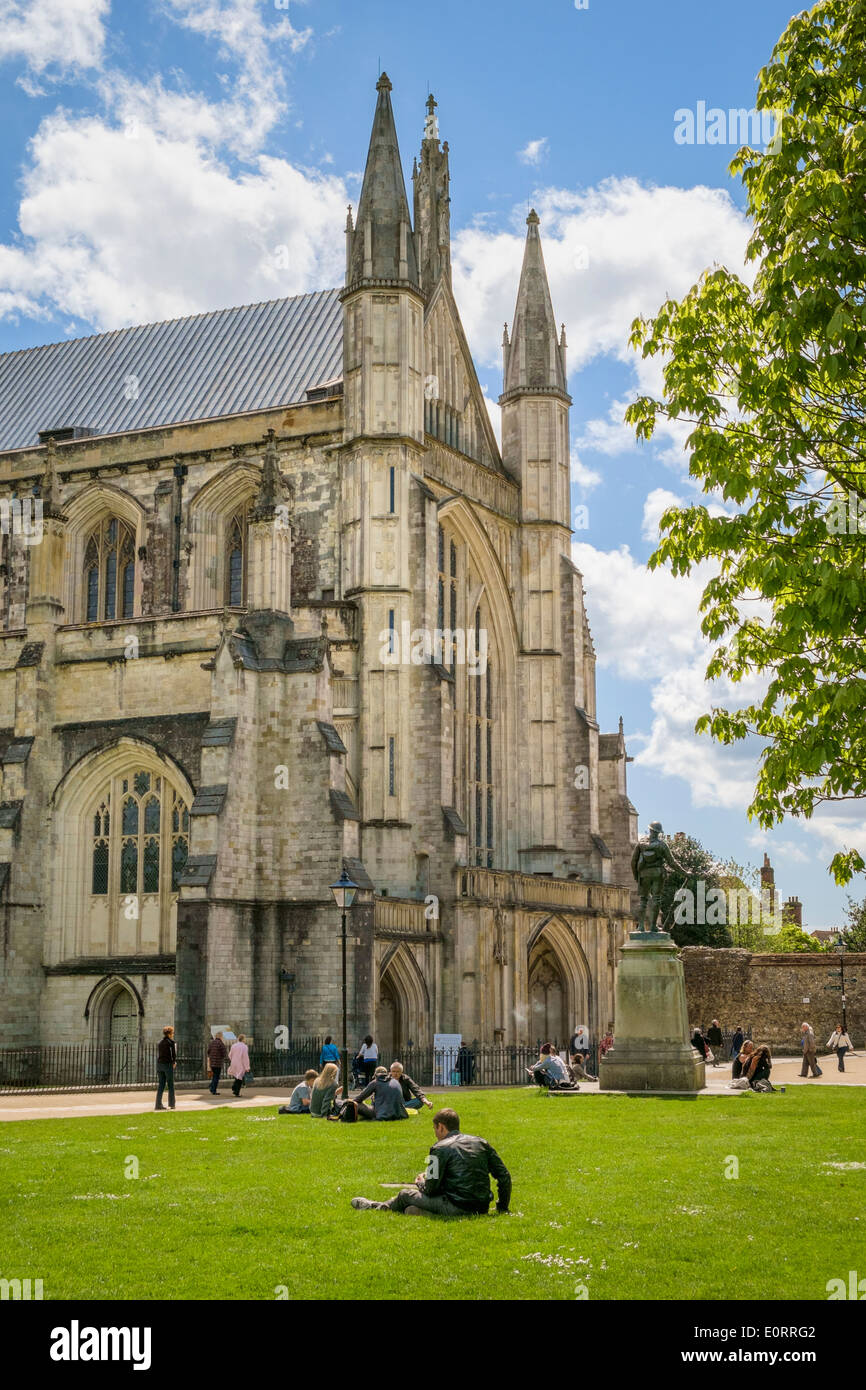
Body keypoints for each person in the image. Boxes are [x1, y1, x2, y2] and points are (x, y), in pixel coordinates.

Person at [351, 1107, 511, 1217]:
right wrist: (502, 1207)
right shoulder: (481, 1142)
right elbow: (504, 1176)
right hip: (481, 1207)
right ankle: (418, 1212)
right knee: (411, 1207)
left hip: (456, 1205)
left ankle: (378, 1207)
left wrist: (421, 1181)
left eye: (435, 1129)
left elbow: (430, 1189)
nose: (435, 1133)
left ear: (441, 1127)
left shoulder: (439, 1148)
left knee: (405, 1194)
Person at [155, 1024, 177, 1111]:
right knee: (171, 1084)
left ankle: (158, 1104)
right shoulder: (171, 1043)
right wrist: (174, 1062)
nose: (173, 1034)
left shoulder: (160, 1042)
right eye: (172, 1033)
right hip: (167, 1065)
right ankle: (172, 1104)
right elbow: (173, 1054)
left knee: (161, 1085)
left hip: (159, 1065)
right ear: (169, 1033)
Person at [228, 1033, 251, 1098]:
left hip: (234, 1062)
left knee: (237, 1077)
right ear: (243, 1039)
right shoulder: (244, 1047)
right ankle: (236, 1091)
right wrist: (247, 1067)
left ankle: (234, 1088)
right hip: (240, 1064)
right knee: (240, 1079)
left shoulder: (233, 1045)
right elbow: (245, 1057)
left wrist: (233, 1060)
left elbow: (230, 1055)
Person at [206, 1031, 227, 1095]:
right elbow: (224, 1053)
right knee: (216, 1077)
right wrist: (221, 1057)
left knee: (214, 1076)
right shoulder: (221, 1043)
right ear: (220, 1036)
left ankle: (212, 1087)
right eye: (222, 1036)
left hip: (212, 1062)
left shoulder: (211, 1043)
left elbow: (208, 1051)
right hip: (218, 1063)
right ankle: (213, 1089)